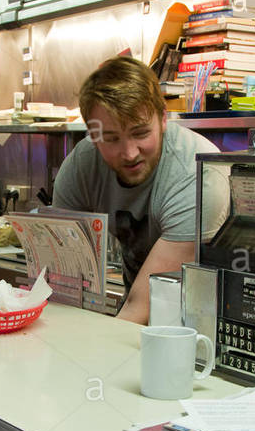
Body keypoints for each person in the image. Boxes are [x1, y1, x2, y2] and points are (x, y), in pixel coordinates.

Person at [53, 56, 229, 325]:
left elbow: (143, 306)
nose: (129, 153)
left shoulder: (198, 174)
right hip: (138, 320)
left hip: (207, 327)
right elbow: (64, 283)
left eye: (140, 133)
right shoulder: (81, 168)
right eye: (111, 138)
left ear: (163, 119)